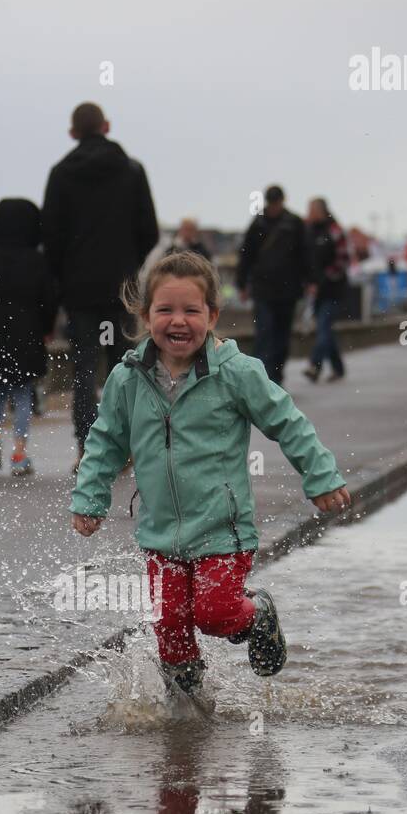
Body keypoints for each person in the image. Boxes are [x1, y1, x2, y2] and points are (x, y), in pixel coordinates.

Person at [70, 251, 351, 699]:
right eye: (165, 310)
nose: (177, 321)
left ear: (212, 315)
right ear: (145, 316)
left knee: (214, 612)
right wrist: (89, 498)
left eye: (190, 310)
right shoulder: (128, 379)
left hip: (223, 528)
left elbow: (288, 422)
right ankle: (186, 711)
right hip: (160, 531)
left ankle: (257, 615)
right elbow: (104, 442)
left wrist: (322, 477)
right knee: (170, 626)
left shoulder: (236, 374)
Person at [42, 102, 159, 464]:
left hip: (79, 291)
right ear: (106, 126)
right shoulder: (131, 170)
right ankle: (125, 446)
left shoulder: (61, 174)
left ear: (73, 133)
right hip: (120, 289)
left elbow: (51, 237)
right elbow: (149, 231)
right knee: (125, 367)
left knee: (84, 370)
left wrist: (64, 276)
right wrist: (129, 266)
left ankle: (87, 447)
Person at [0, 199, 57, 476]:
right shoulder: (37, 260)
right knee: (22, 395)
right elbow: (48, 300)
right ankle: (19, 454)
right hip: (27, 332)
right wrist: (46, 327)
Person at [235, 184, 307, 385]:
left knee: (282, 336)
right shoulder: (258, 224)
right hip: (263, 289)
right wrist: (242, 284)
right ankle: (261, 378)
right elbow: (246, 255)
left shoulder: (294, 224)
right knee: (264, 333)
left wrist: (310, 281)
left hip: (288, 289)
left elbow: (305, 255)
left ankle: (276, 375)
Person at [303, 197, 350, 384]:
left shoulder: (334, 231)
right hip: (317, 291)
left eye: (311, 210)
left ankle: (315, 365)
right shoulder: (308, 232)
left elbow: (343, 261)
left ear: (320, 211)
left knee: (323, 326)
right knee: (326, 330)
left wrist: (324, 279)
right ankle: (338, 368)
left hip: (333, 290)